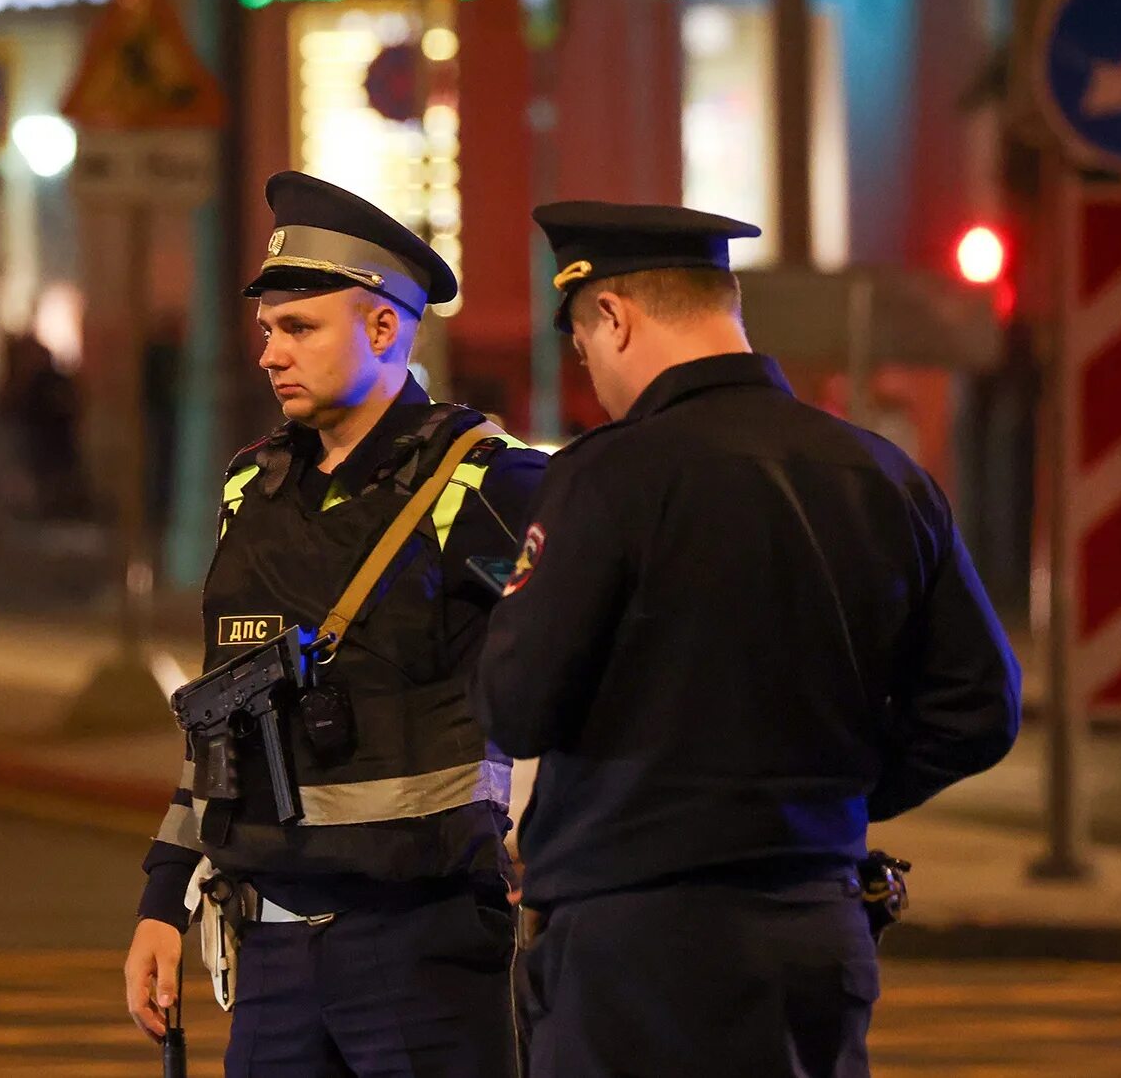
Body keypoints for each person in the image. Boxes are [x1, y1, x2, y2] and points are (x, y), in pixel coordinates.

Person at [479, 202, 1022, 1078]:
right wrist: (829, 793)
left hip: (635, 945)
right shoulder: (882, 475)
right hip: (817, 923)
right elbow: (979, 706)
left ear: (614, 317)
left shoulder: (608, 476)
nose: (591, 373)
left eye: (583, 345)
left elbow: (516, 704)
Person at [124, 171, 548, 1078]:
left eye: (300, 327)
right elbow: (218, 726)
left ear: (385, 327)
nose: (271, 353)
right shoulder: (255, 486)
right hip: (273, 950)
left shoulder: (481, 487)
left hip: (422, 946)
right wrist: (165, 900)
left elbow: (586, 668)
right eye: (266, 330)